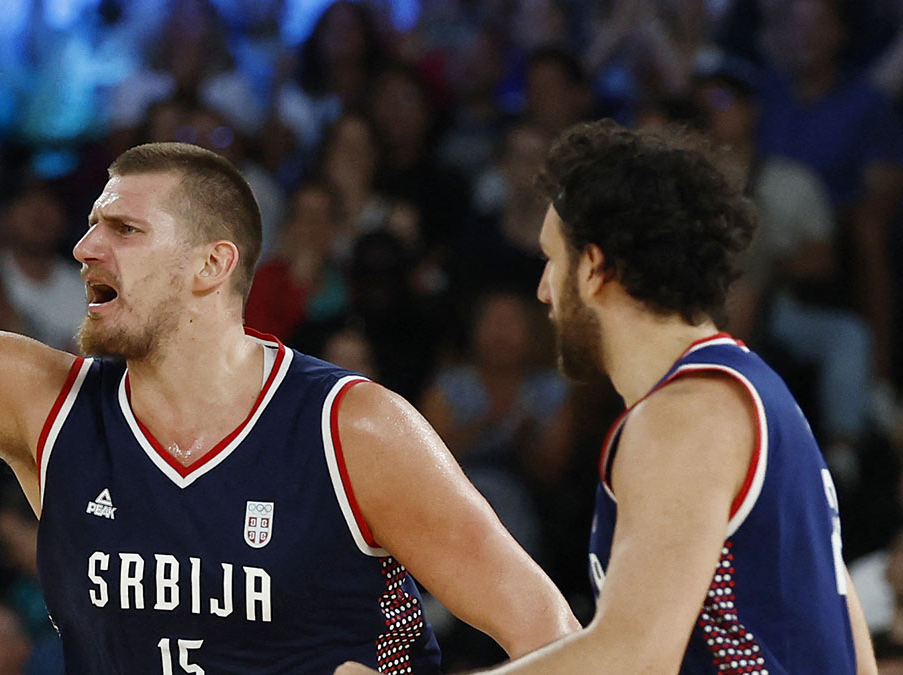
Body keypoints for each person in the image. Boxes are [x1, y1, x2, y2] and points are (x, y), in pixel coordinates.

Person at [0, 8, 577, 673]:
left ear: (212, 264)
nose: (84, 247)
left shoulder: (353, 429)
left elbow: (552, 635)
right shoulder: (41, 404)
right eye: (91, 223)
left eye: (124, 229)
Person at [338, 120, 879, 674]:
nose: (543, 291)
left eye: (552, 261)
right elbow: (853, 650)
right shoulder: (750, 391)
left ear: (595, 267)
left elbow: (634, 657)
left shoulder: (685, 415)